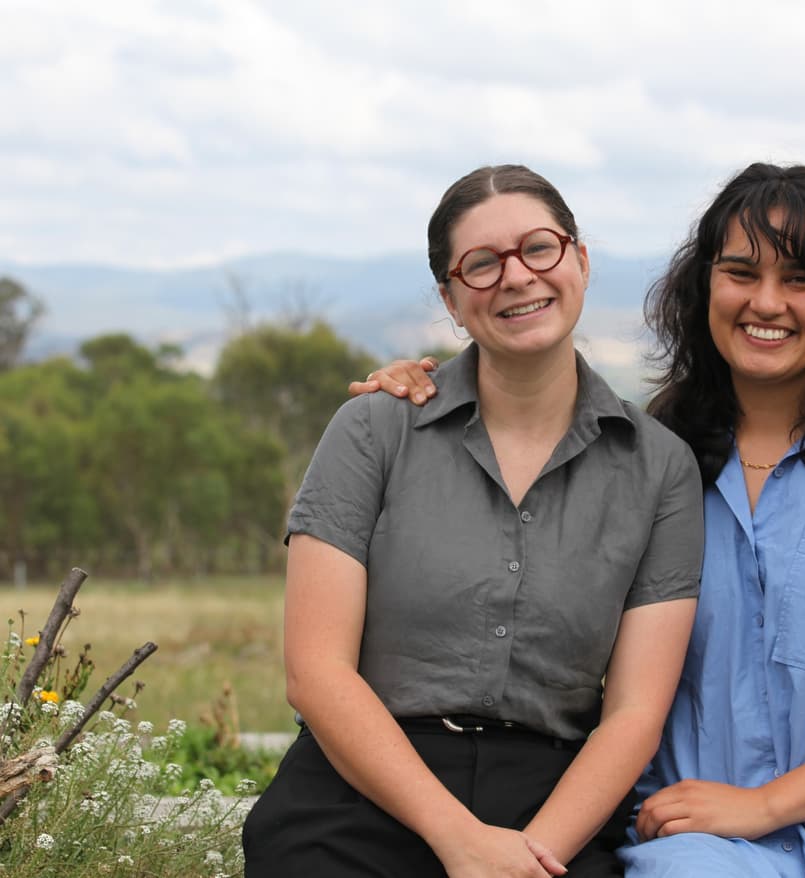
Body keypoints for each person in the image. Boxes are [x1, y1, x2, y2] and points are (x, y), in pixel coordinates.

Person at [354, 162, 805, 877]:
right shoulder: (640, 462)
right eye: (740, 272)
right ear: (703, 287)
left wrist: (767, 805)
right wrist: (423, 389)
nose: (767, 302)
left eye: (800, 279)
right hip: (695, 852)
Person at [241, 164, 704, 878]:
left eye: (539, 249)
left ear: (580, 259)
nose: (516, 277)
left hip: (556, 803)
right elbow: (316, 670)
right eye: (481, 264)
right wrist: (458, 839)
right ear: (451, 299)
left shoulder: (660, 469)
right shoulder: (373, 432)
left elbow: (636, 712)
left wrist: (533, 857)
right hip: (363, 787)